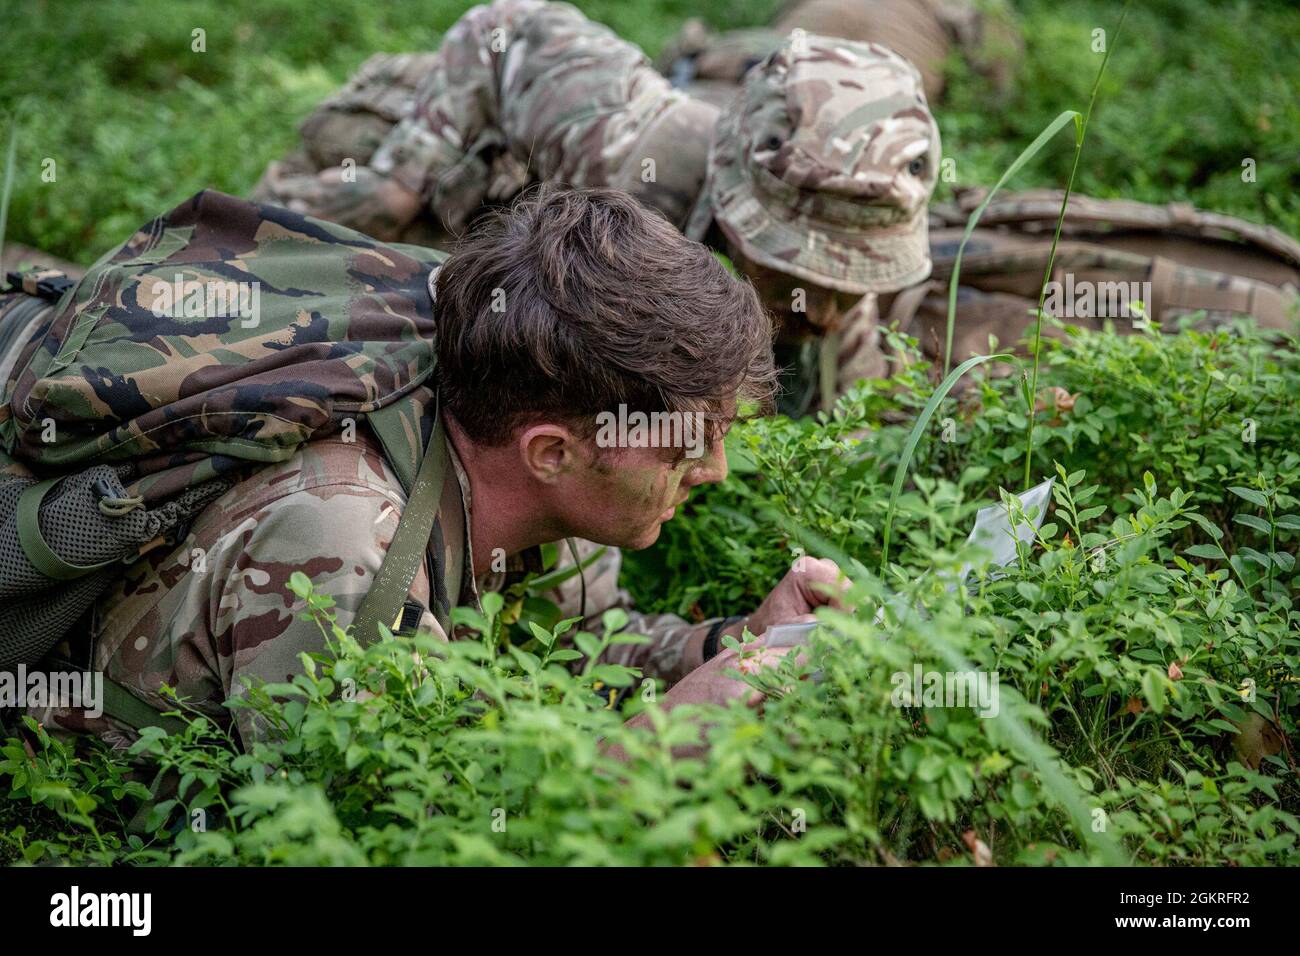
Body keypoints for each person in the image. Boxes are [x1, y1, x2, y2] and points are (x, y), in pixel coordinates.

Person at [11, 186, 847, 750]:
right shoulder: (338, 545)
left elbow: (581, 641)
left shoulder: (522, 431)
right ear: (551, 452)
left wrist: (735, 647)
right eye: (689, 444)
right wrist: (666, 746)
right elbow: (416, 821)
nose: (717, 471)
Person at [253, 0, 943, 416]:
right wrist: (404, 172)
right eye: (799, 268)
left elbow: (856, 418)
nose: (823, 312)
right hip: (461, 175)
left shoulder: (839, 254)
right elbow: (503, 25)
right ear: (737, 207)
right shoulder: (623, 134)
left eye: (853, 282)